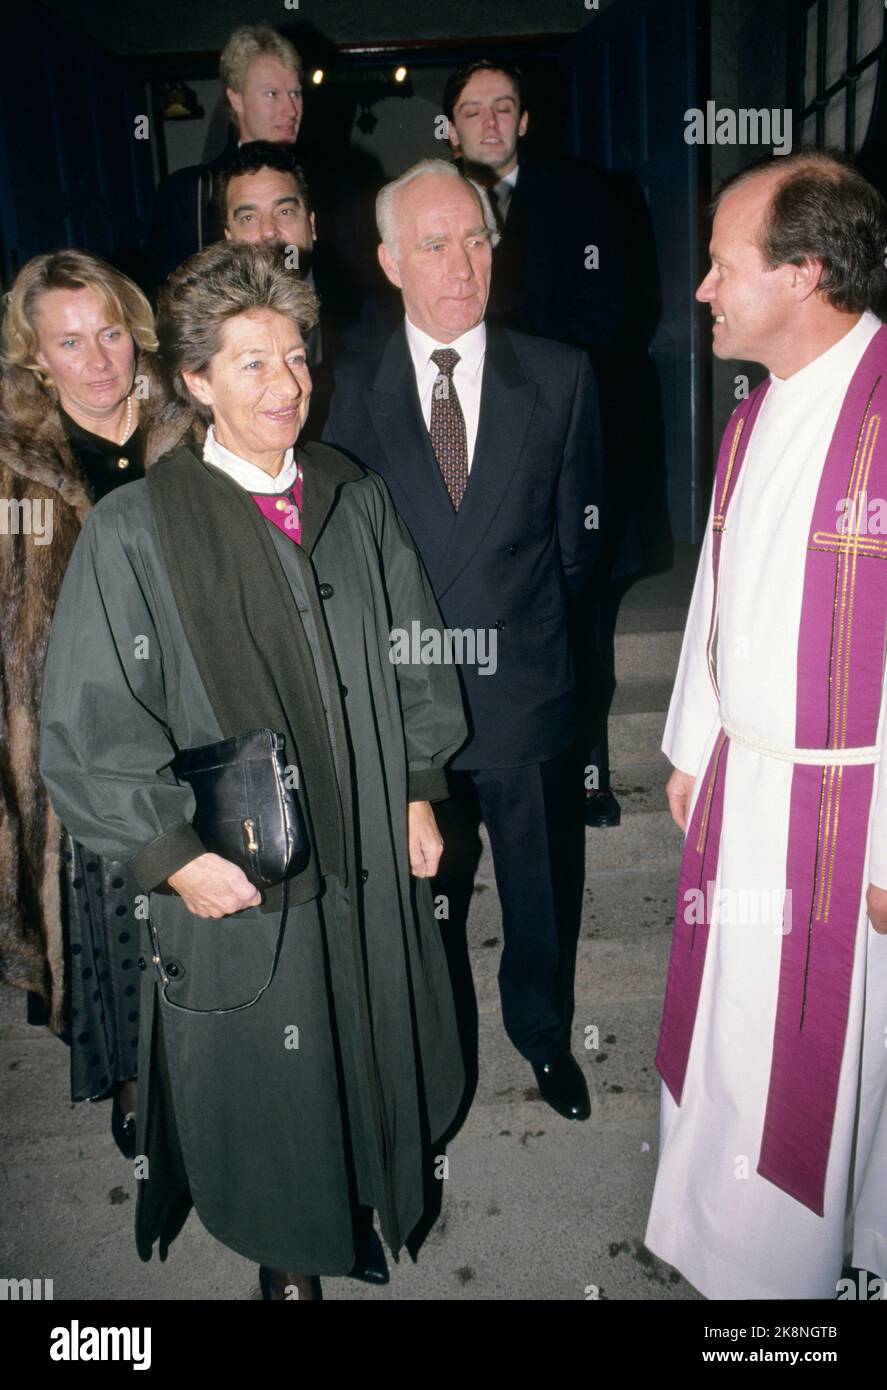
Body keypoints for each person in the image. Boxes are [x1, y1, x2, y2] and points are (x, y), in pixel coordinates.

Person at [38, 241, 468, 1300]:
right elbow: (90, 724)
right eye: (250, 365)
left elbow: (414, 638)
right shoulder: (139, 528)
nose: (286, 388)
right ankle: (289, 1246)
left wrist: (417, 776)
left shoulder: (349, 496)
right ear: (192, 381)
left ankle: (373, 1183)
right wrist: (171, 855)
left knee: (366, 1009)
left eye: (295, 360)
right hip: (241, 860)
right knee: (277, 1060)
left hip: (364, 828)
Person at [646, 149, 887, 1299]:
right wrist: (696, 741)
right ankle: (738, 1266)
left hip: (848, 821)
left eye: (719, 267)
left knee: (833, 1081)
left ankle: (810, 1276)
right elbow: (714, 580)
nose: (701, 291)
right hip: (749, 790)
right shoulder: (755, 410)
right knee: (730, 1050)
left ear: (799, 275)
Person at [324, 160, 606, 1122]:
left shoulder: (559, 376)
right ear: (390, 261)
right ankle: (421, 1056)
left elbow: (576, 551)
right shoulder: (335, 385)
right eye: (435, 245)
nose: (461, 265)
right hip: (399, 703)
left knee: (536, 889)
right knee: (416, 900)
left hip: (521, 687)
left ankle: (540, 1035)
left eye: (477, 240)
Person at [0, 250, 186, 1156]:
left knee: (193, 897)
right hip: (74, 736)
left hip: (192, 718)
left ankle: (210, 1060)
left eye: (110, 332)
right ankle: (128, 1075)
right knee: (108, 916)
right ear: (37, 359)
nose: (99, 360)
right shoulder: (14, 465)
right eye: (70, 342)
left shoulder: (191, 430)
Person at [444, 59, 626, 830]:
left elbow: (613, 309)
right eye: (472, 109)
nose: (488, 122)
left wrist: (528, 383)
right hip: (459, 439)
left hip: (552, 436)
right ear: (449, 124)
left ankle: (583, 774)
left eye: (503, 107)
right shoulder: (431, 203)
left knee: (574, 614)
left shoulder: (584, 193)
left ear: (523, 119)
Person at [216, 141, 354, 436]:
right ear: (229, 238)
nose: (268, 232)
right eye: (249, 218)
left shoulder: (371, 316)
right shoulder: (206, 338)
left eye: (285, 211)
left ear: (312, 225)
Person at [150, 24, 304, 284]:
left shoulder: (330, 185)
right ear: (236, 99)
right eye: (272, 94)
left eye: (295, 93)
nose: (290, 109)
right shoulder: (189, 193)